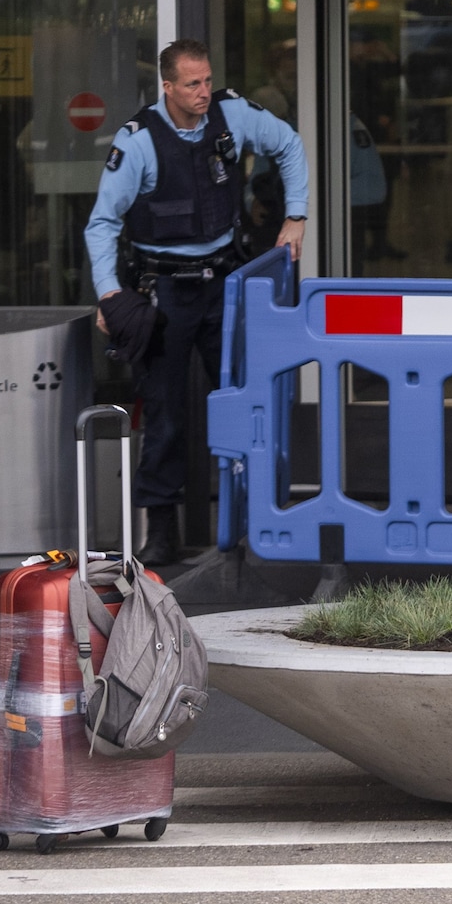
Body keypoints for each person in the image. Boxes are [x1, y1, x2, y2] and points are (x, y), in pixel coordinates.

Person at [88, 38, 307, 565]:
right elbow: (102, 223)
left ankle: (260, 521)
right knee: (164, 415)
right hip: (164, 292)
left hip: (226, 284)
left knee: (245, 401)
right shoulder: (138, 141)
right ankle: (162, 529)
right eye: (192, 84)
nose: (204, 91)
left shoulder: (231, 114)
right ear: (167, 87)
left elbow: (290, 145)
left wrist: (295, 216)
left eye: (207, 79)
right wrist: (110, 292)